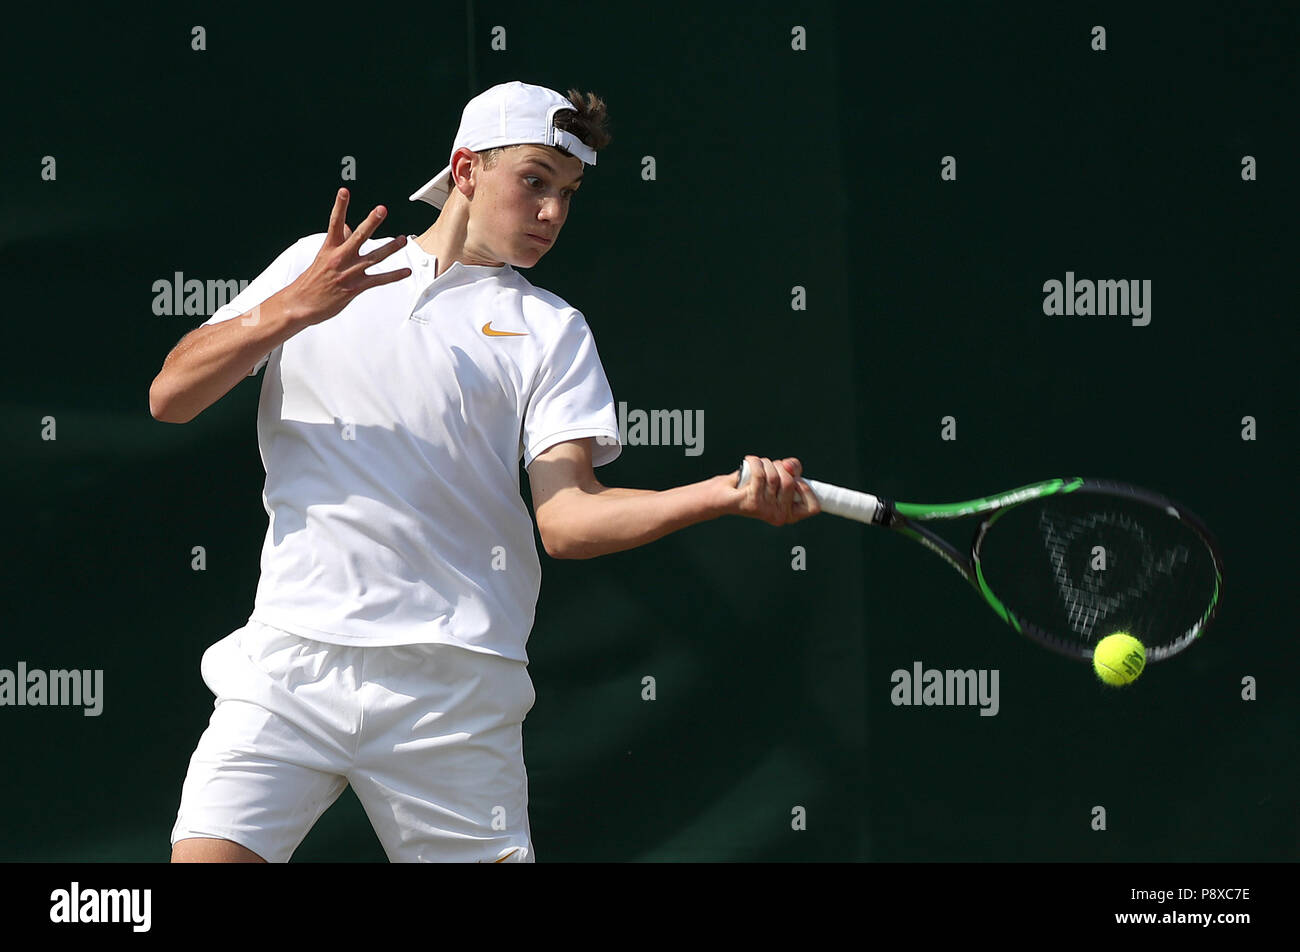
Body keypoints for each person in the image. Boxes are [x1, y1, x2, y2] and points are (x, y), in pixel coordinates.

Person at [150, 80, 819, 863]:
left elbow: (566, 522)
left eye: (568, 193)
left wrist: (717, 495)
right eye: (534, 181)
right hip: (290, 665)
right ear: (465, 171)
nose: (553, 213)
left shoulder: (550, 331)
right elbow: (171, 396)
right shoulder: (317, 267)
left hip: (453, 692)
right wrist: (290, 309)